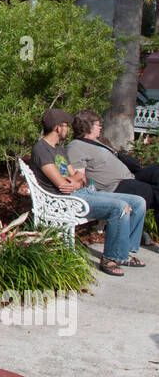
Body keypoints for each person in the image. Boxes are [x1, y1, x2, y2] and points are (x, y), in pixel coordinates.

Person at [30, 108, 146, 277]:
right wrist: (75, 179)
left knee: (138, 202)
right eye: (66, 126)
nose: (69, 129)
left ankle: (123, 252)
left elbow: (80, 177)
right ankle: (110, 258)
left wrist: (75, 180)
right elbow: (62, 185)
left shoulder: (59, 149)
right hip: (66, 201)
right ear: (57, 127)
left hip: (82, 193)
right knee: (119, 207)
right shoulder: (42, 149)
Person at [66, 110, 159, 224]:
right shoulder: (75, 147)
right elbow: (79, 177)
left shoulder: (95, 142)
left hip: (131, 176)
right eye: (98, 125)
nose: (100, 127)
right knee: (153, 194)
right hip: (116, 186)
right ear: (87, 126)